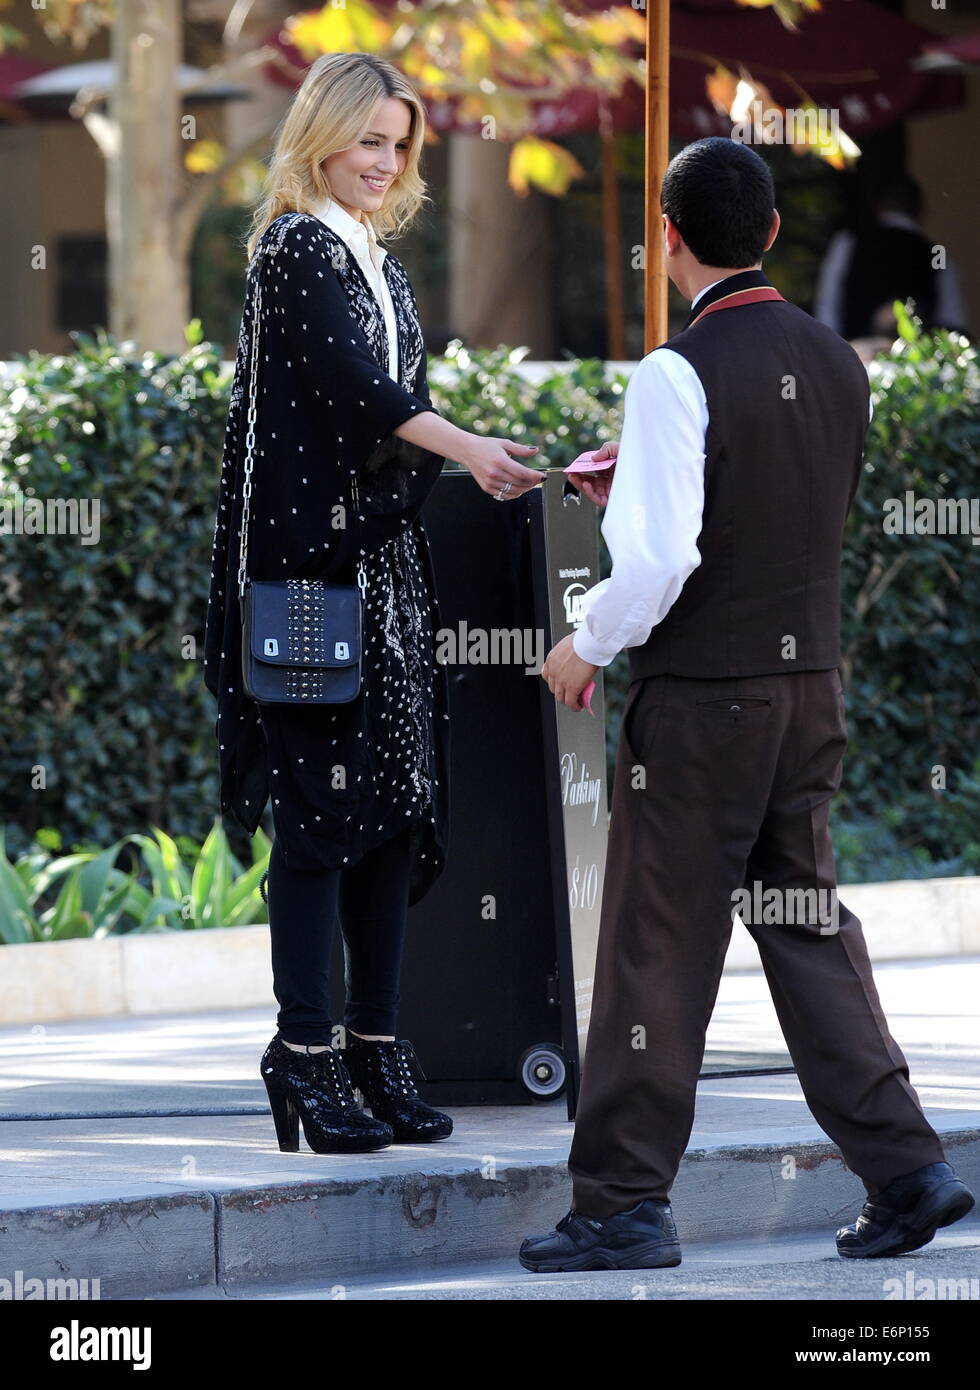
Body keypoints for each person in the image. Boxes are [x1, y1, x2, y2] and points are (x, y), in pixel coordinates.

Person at [523, 137, 975, 1270]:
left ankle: (621, 1203)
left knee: (652, 948)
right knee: (804, 924)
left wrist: (583, 643)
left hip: (701, 699)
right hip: (806, 686)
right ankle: (907, 1170)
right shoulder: (836, 361)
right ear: (771, 232)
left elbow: (662, 562)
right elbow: (766, 503)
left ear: (664, 237)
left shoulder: (676, 370)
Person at [203, 52, 542, 1156]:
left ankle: (373, 1046)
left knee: (392, 811)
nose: (383, 163)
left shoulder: (377, 261)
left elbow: (395, 402)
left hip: (383, 567)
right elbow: (361, 390)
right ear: (319, 138)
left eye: (397, 145)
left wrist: (464, 453)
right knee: (315, 820)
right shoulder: (295, 248)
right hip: (307, 573)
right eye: (367, 142)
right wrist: (471, 452)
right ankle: (303, 1055)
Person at [814, 174, 969, 341]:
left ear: (877, 206)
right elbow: (952, 320)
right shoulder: (937, 252)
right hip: (917, 362)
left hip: (855, 356)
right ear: (920, 210)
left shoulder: (850, 242)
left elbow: (827, 306)